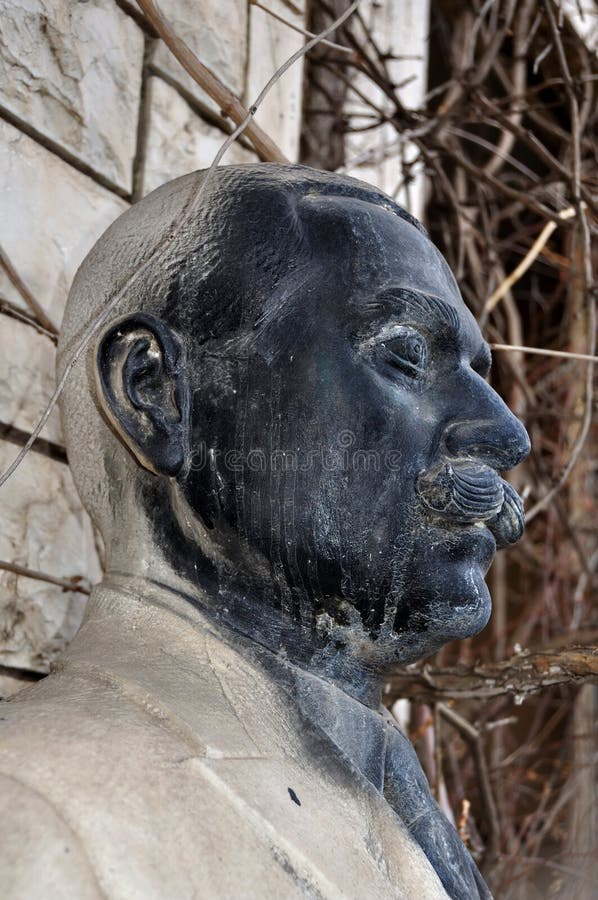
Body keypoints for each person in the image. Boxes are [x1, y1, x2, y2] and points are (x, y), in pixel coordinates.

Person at [0, 165, 529, 898]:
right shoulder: (36, 816)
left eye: (480, 373)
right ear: (155, 394)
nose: (506, 433)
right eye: (406, 356)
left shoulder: (399, 806)